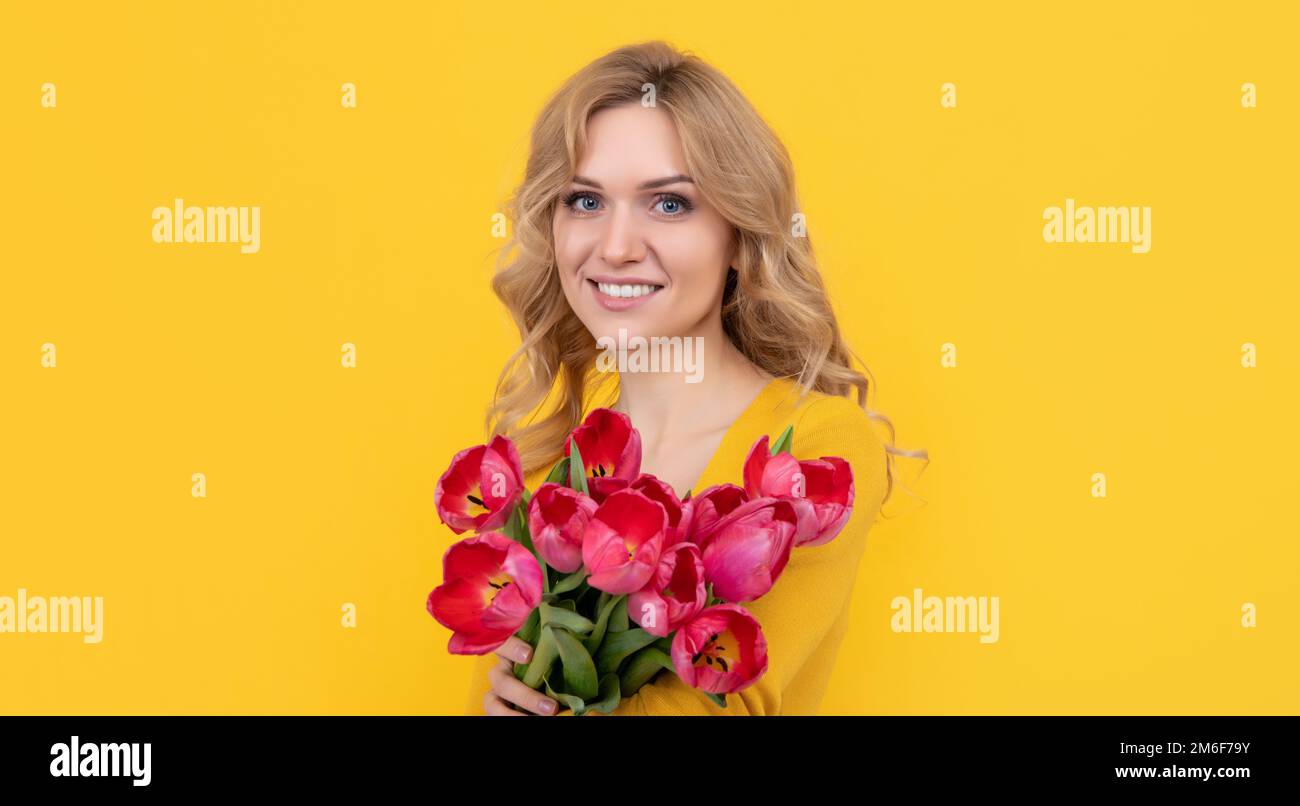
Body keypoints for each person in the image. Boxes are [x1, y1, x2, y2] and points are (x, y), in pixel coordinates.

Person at [465, 40, 921, 715]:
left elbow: (723, 699)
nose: (615, 247)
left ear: (738, 235)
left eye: (669, 205)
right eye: (585, 202)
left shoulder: (815, 448)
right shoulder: (555, 479)